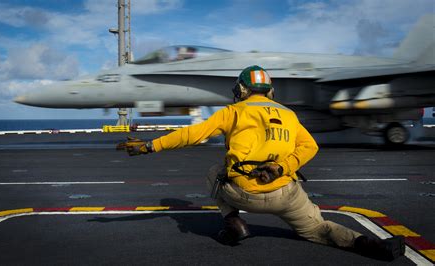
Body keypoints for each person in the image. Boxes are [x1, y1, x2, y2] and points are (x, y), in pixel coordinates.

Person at [117, 65, 405, 261]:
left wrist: (149, 146)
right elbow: (310, 146)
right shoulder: (290, 115)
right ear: (270, 91)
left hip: (243, 192)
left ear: (241, 90)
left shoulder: (234, 110)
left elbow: (193, 134)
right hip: (286, 194)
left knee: (214, 172)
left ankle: (234, 223)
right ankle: (374, 246)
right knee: (319, 229)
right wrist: (283, 166)